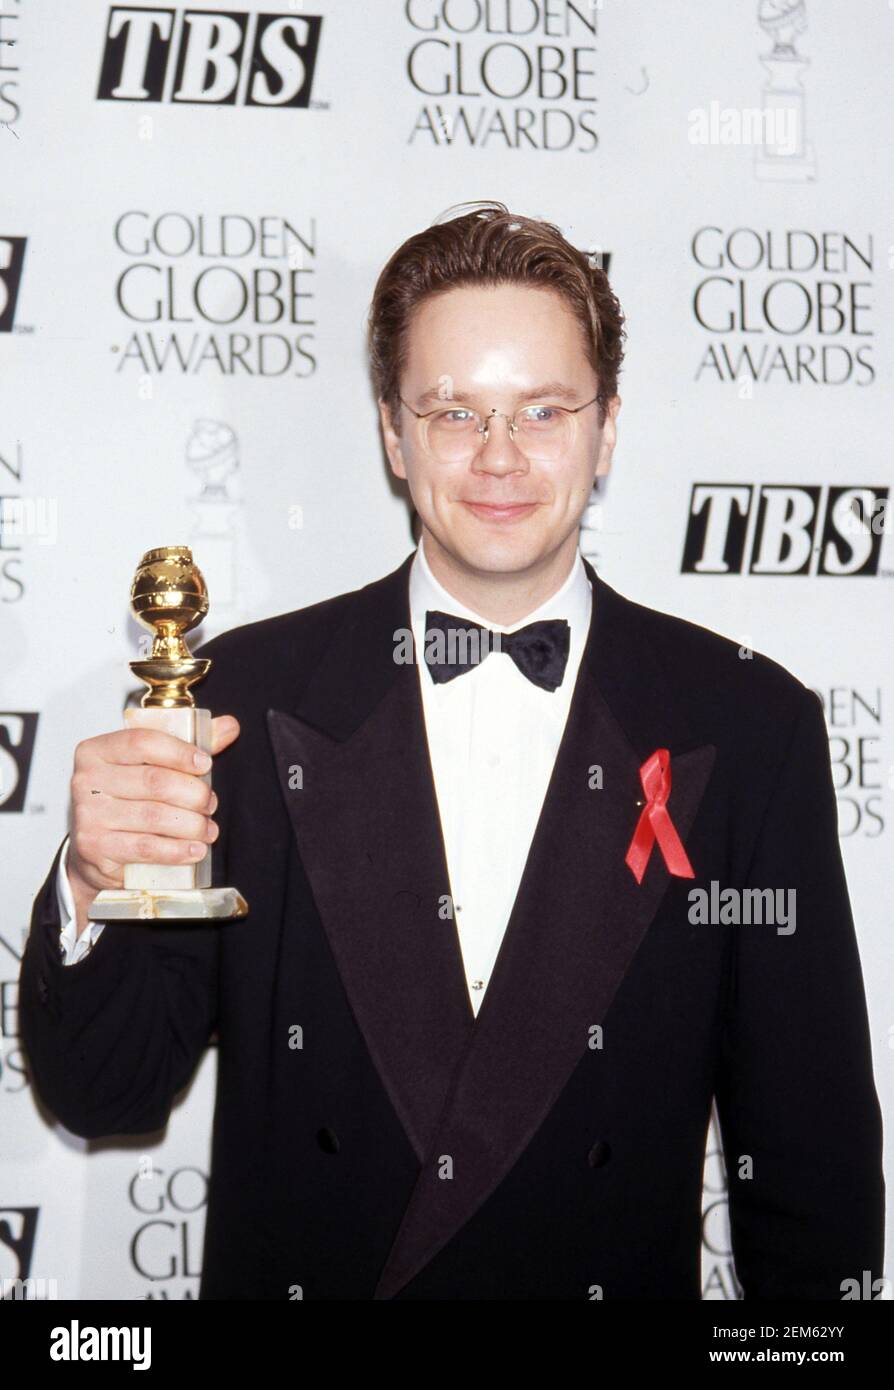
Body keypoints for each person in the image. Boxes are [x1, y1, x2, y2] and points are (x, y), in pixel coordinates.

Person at [20, 202, 884, 1300]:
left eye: (542, 410)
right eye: (453, 412)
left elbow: (811, 1173)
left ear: (608, 424)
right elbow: (106, 1094)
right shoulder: (239, 703)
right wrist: (92, 884)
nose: (500, 457)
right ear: (391, 430)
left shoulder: (747, 725)